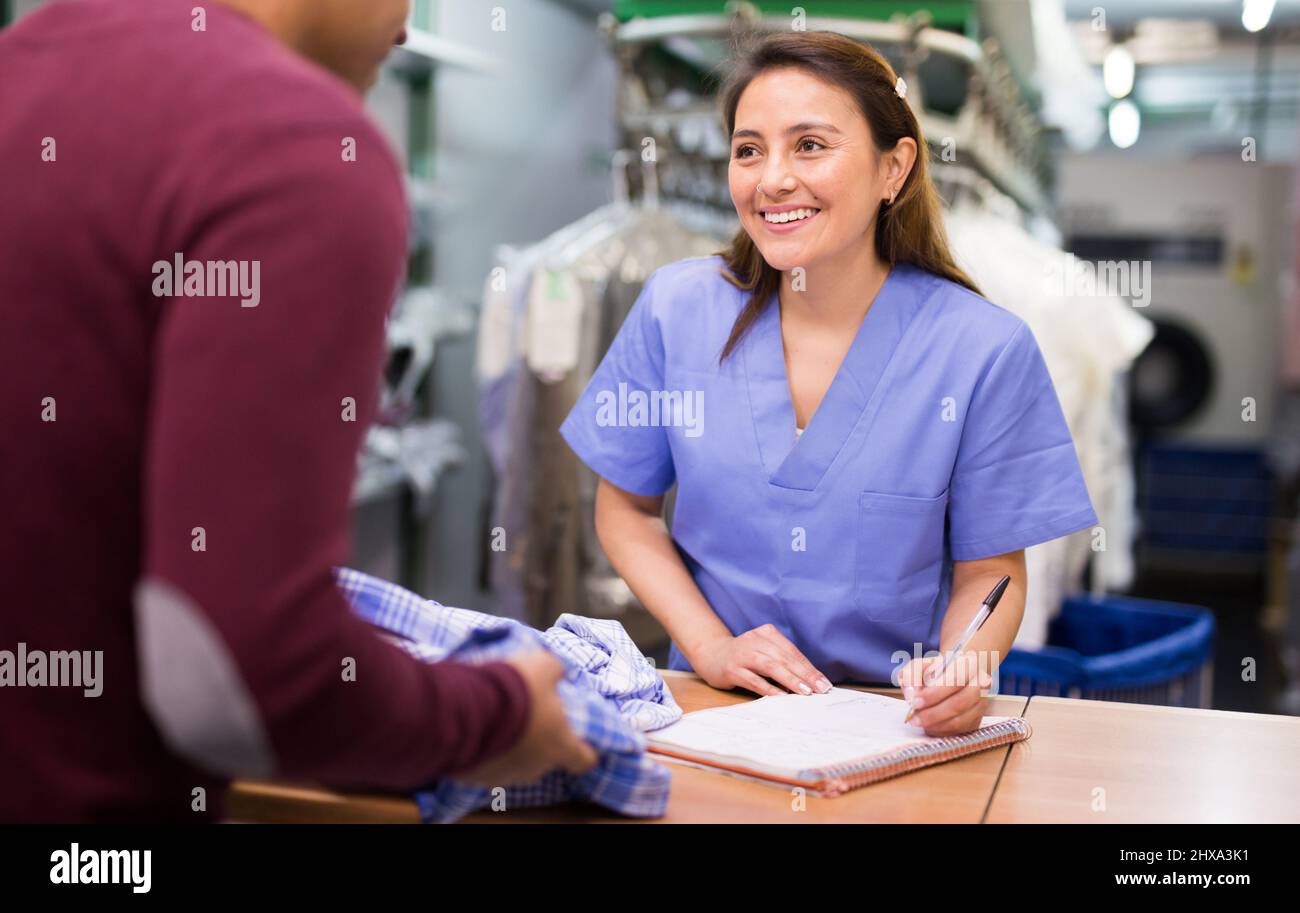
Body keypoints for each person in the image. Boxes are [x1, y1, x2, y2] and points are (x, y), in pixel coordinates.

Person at [0, 0, 592, 822]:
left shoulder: (25, 67)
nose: (408, 19)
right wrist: (497, 715)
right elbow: (238, 669)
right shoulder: (292, 147)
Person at [560, 31, 1098, 736]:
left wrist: (964, 666)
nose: (772, 178)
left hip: (893, 724)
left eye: (810, 145)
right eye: (749, 149)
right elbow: (625, 511)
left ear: (893, 169)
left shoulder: (982, 349)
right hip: (713, 714)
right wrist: (713, 645)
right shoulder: (676, 309)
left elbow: (990, 572)